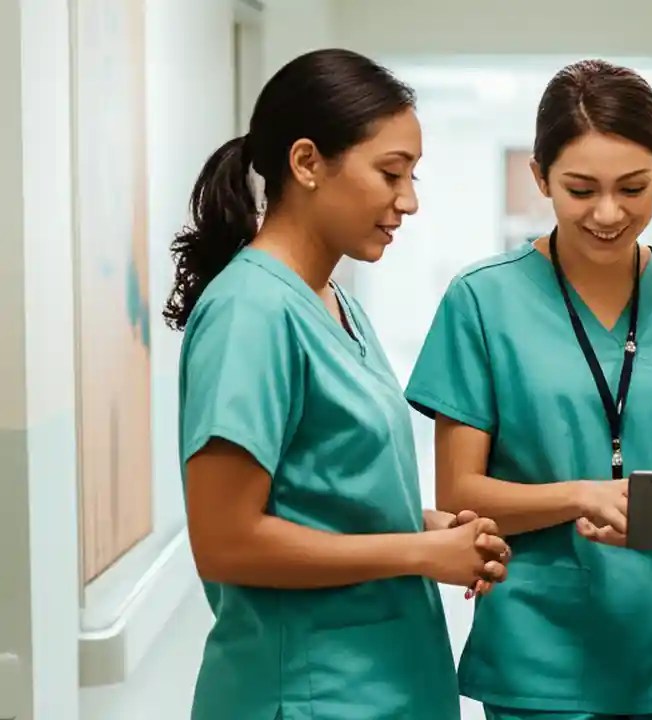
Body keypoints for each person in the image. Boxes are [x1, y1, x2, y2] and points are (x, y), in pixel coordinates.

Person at [405, 58, 652, 720]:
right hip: (536, 647)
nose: (608, 213)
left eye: (633, 188)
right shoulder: (483, 301)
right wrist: (582, 495)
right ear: (540, 176)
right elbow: (459, 493)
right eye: (580, 189)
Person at [169, 48, 511, 720]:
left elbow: (324, 496)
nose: (407, 201)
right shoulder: (251, 312)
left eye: (412, 175)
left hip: (380, 686)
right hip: (305, 694)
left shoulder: (332, 301)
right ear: (306, 164)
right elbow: (226, 540)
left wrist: (435, 528)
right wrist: (419, 551)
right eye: (391, 174)